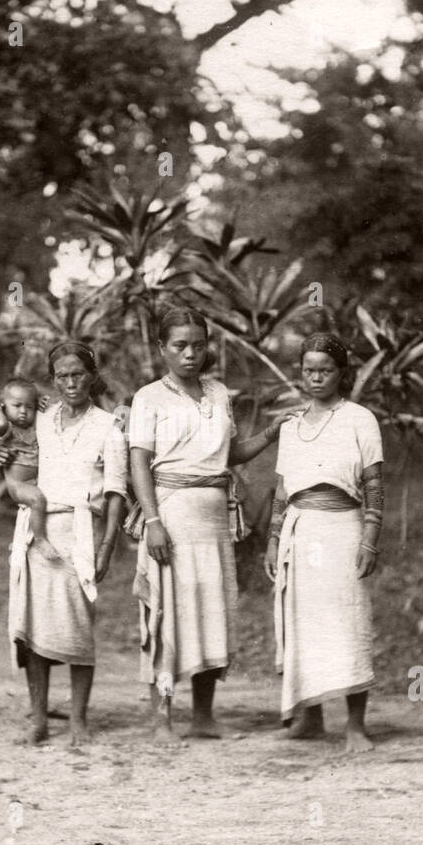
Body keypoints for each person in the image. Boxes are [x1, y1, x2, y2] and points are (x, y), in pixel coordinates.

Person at [129, 304, 290, 741]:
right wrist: (153, 520)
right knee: (166, 612)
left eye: (198, 345)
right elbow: (139, 464)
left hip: (214, 516)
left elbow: (229, 454)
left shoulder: (219, 393)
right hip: (171, 512)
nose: (190, 354)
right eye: (180, 345)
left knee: (209, 611)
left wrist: (272, 433)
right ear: (162, 348)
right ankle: (161, 717)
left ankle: (203, 716)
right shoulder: (149, 398)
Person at [0, 341, 127, 746]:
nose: (70, 383)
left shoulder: (107, 427)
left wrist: (106, 547)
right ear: (52, 380)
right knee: (35, 626)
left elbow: (116, 492)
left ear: (92, 376)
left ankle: (80, 719)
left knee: (78, 627)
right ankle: (39, 718)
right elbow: (9, 441)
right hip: (38, 532)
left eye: (78, 374)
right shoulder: (43, 420)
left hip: (82, 532)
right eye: (62, 376)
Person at [265, 335, 383, 750]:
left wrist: (369, 540)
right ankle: (310, 716)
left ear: (342, 373)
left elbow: (373, 484)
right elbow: (282, 489)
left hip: (343, 528)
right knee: (303, 624)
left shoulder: (359, 419)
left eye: (326, 370)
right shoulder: (292, 425)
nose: (316, 378)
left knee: (348, 622)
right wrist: (273, 538)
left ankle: (355, 726)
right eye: (309, 370)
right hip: (302, 530)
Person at [0, 378, 56, 560]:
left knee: (42, 499)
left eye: (29, 407)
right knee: (37, 499)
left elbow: (53, 405)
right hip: (18, 484)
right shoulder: (6, 428)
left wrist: (39, 401)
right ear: (4, 407)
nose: (23, 412)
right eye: (16, 406)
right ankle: (40, 539)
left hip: (38, 480)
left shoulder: (34, 425)